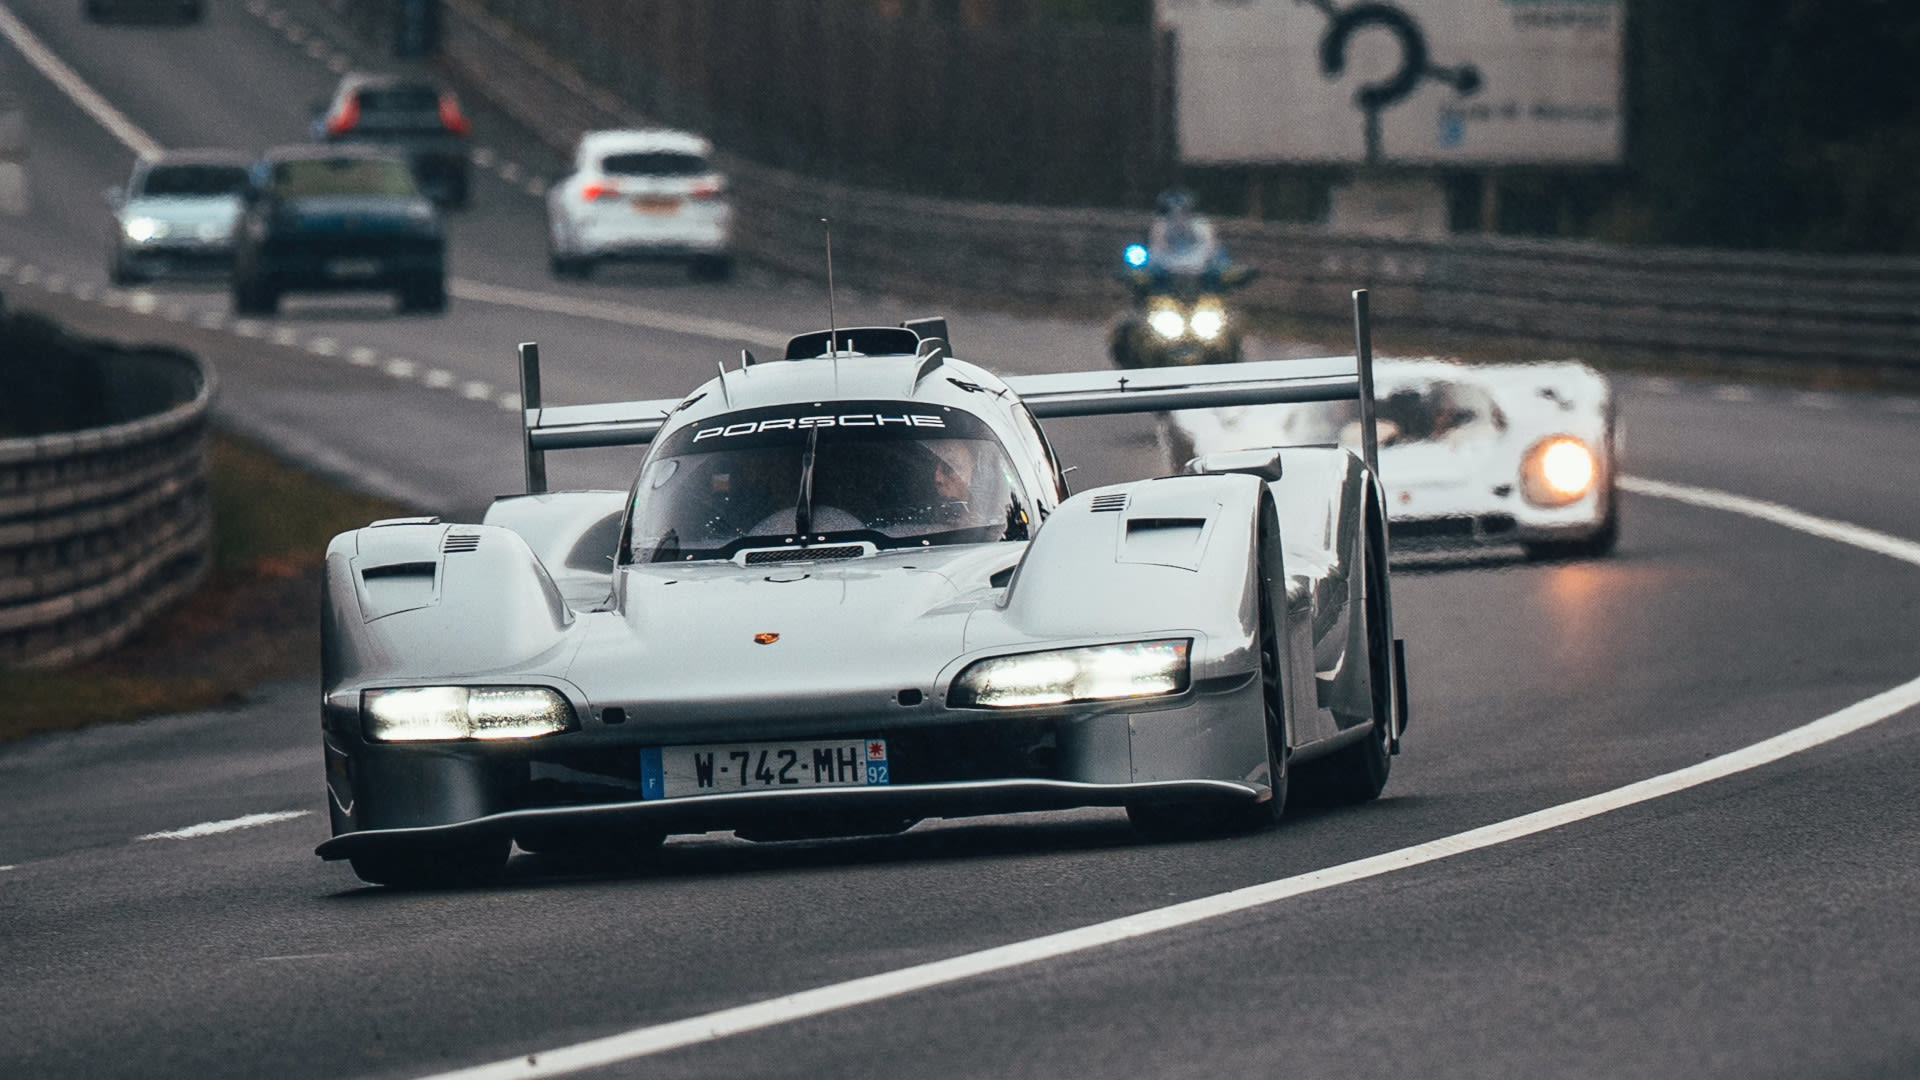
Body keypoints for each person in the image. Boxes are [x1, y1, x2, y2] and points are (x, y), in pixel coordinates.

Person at [1146, 188, 1230, 279]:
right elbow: (1158, 247)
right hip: (1169, 263)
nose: (1178, 214)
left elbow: (1211, 246)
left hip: (1198, 262)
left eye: (1183, 210)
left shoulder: (1201, 224)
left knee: (1220, 252)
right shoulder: (1160, 225)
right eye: (1173, 210)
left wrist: (1200, 266)